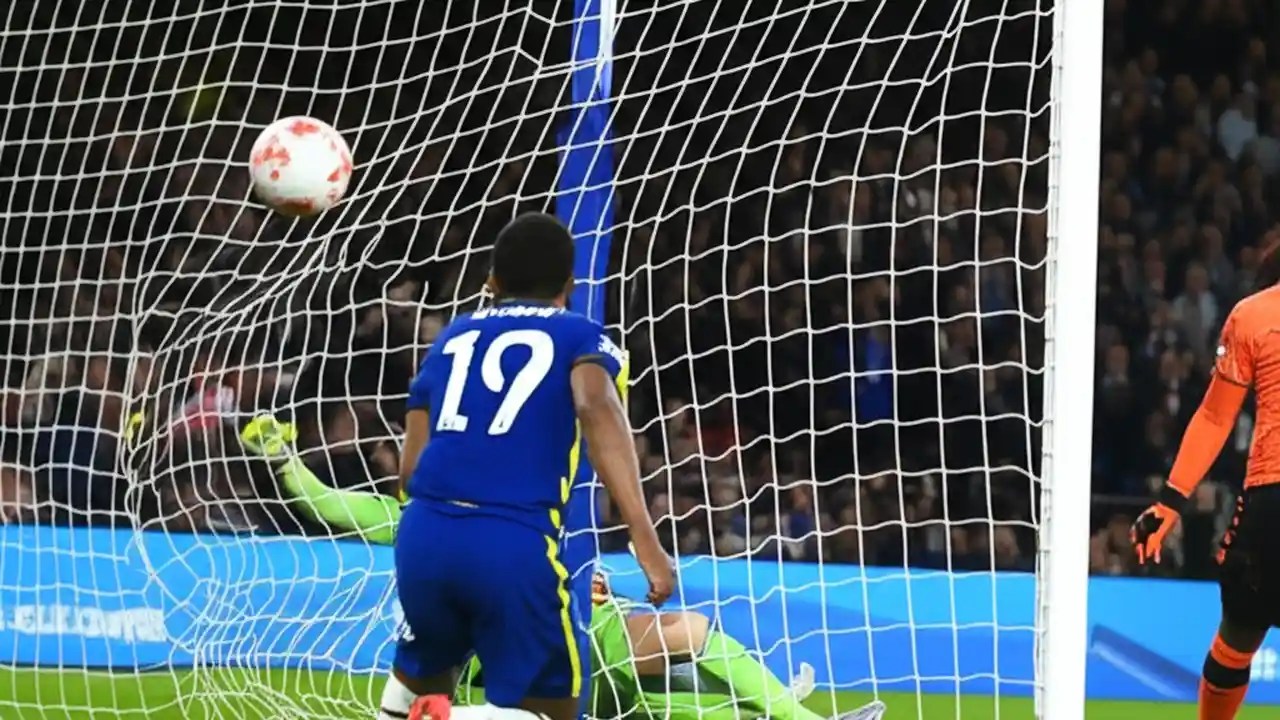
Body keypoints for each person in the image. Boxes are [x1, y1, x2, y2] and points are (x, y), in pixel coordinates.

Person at [239, 415, 888, 720]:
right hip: (524, 670)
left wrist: (593, 585)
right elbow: (330, 505)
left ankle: (772, 707)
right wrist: (281, 462)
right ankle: (778, 709)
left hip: (588, 633)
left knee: (669, 679)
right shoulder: (426, 518)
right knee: (676, 656)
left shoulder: (528, 495)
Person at [388, 213, 673, 720]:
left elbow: (409, 472)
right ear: (571, 284)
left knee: (417, 682)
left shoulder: (451, 339)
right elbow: (594, 404)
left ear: (491, 282)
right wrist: (646, 541)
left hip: (423, 538)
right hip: (513, 544)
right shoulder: (580, 336)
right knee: (549, 712)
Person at [1130, 254, 1280, 720]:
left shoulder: (1253, 314)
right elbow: (1215, 416)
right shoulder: (1253, 315)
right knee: (1238, 636)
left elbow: (1215, 416)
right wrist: (1171, 500)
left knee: (1238, 637)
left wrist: (1172, 500)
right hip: (1270, 496)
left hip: (1269, 501)